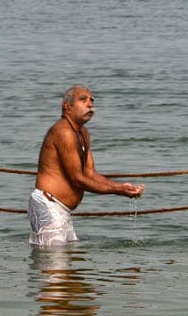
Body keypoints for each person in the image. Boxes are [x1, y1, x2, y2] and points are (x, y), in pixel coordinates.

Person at [27, 85, 144, 246]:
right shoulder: (63, 132)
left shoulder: (83, 133)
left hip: (63, 211)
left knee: (70, 259)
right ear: (67, 106)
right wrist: (118, 190)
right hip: (48, 206)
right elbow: (77, 179)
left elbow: (90, 173)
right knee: (54, 259)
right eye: (83, 99)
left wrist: (122, 186)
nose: (90, 104)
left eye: (91, 100)